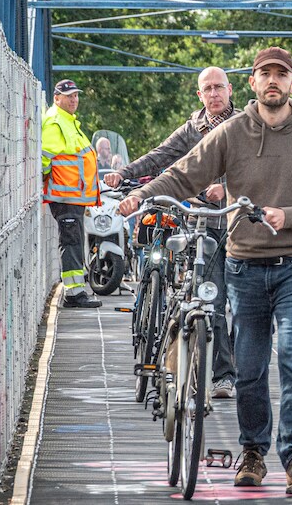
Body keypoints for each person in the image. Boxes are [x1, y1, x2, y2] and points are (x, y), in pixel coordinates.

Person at [118, 47, 292, 495]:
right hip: (244, 267)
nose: (273, 82)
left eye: (282, 74)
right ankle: (253, 453)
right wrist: (142, 197)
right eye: (265, 75)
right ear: (254, 83)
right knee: (250, 368)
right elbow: (184, 173)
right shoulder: (234, 131)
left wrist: (289, 216)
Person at [104, 67, 240, 399]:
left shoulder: (245, 126)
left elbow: (263, 168)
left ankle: (231, 369)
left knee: (239, 304)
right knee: (211, 298)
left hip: (237, 225)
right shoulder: (191, 130)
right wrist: (124, 174)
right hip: (200, 224)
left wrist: (227, 187)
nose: (213, 94)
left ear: (230, 89)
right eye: (206, 89)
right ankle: (218, 375)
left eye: (218, 87)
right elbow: (160, 157)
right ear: (199, 95)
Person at [42, 79, 102, 309]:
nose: (74, 99)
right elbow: (44, 157)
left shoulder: (68, 122)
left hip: (72, 196)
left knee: (75, 242)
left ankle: (76, 291)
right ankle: (74, 294)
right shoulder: (56, 122)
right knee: (71, 242)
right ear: (57, 98)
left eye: (76, 95)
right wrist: (47, 178)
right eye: (68, 96)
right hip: (65, 196)